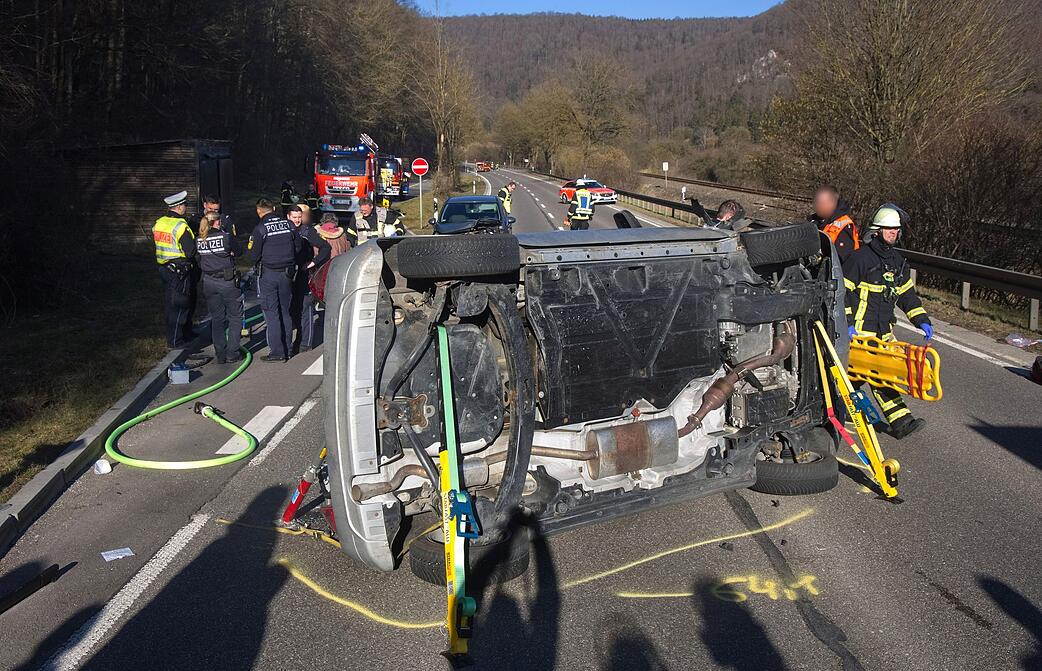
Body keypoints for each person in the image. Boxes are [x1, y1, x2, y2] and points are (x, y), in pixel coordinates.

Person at [844, 204, 933, 439]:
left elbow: (907, 296)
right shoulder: (860, 259)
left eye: (896, 230)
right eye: (888, 229)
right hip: (861, 332)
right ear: (877, 231)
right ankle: (901, 421)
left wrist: (921, 320)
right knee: (876, 375)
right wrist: (848, 323)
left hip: (884, 332)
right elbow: (843, 292)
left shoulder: (898, 262)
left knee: (865, 377)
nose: (893, 233)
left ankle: (837, 405)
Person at [249, 198, 301, 362]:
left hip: (269, 275)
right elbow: (298, 246)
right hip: (287, 274)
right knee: (285, 311)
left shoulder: (260, 229)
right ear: (273, 208)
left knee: (272, 313)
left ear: (259, 211)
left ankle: (277, 352)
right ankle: (289, 349)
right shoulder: (288, 224)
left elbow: (253, 255)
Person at [196, 211, 245, 364]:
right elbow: (240, 252)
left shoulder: (199, 240)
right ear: (217, 222)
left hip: (209, 282)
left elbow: (198, 259)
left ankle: (220, 353)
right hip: (227, 281)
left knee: (217, 318)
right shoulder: (225, 237)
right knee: (235, 317)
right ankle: (232, 353)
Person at [153, 190, 197, 348]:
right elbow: (191, 251)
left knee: (170, 303)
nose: (186, 207)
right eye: (185, 205)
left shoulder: (160, 223)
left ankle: (181, 335)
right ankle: (176, 342)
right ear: (178, 207)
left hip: (164, 268)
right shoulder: (180, 226)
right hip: (179, 270)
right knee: (179, 305)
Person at [287, 205, 330, 353]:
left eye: (299, 217)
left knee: (306, 307)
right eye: (294, 217)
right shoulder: (284, 230)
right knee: (292, 309)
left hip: (304, 273)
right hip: (288, 274)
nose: (297, 220)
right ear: (288, 217)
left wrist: (313, 263)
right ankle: (293, 340)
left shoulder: (307, 231)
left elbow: (325, 248)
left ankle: (306, 342)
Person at [810, 186, 859, 265]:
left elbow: (844, 261)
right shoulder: (813, 221)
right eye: (817, 202)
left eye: (822, 203)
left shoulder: (844, 226)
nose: (819, 206)